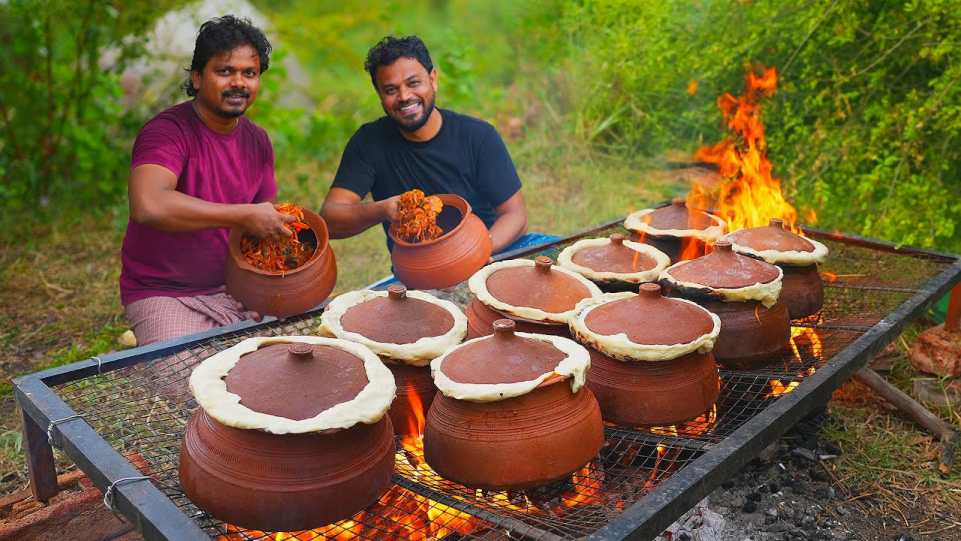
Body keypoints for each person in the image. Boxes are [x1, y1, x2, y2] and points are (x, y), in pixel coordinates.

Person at [120, 15, 294, 346]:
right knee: (187, 385)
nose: (238, 83)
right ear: (198, 77)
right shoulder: (167, 132)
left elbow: (260, 230)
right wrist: (243, 214)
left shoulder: (257, 141)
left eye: (250, 73)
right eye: (224, 71)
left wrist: (259, 285)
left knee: (290, 362)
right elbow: (149, 206)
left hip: (234, 288)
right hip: (166, 292)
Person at [321, 35, 555, 262]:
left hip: (490, 252)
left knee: (560, 252)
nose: (404, 96)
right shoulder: (368, 142)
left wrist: (476, 251)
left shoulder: (477, 135)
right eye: (391, 90)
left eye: (413, 83)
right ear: (379, 94)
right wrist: (383, 209)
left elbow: (515, 216)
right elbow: (330, 220)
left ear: (433, 80)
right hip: (419, 271)